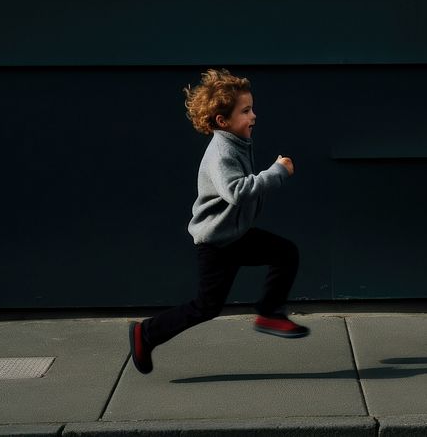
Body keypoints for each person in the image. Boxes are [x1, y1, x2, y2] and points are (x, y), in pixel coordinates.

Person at [128, 69, 308, 374]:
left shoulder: (236, 143)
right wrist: (277, 172)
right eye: (246, 111)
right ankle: (145, 333)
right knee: (206, 306)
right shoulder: (222, 151)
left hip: (235, 236)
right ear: (223, 121)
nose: (254, 116)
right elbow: (237, 191)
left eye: (252, 108)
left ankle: (269, 312)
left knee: (286, 252)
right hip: (217, 243)